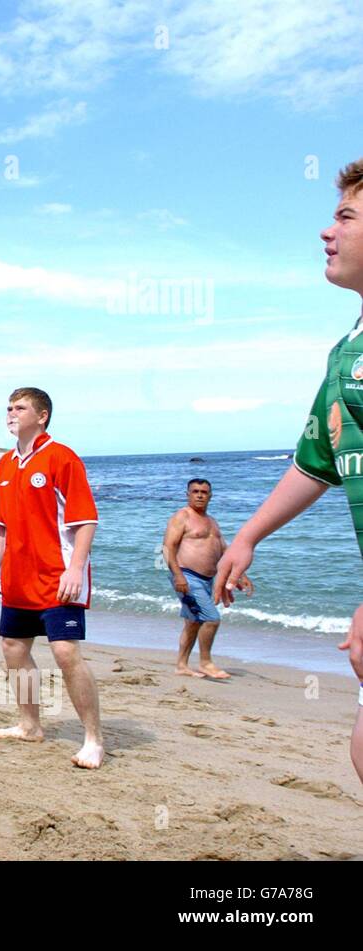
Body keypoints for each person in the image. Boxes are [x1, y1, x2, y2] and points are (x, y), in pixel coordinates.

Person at [215, 158, 363, 785]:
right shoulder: (347, 348)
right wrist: (249, 536)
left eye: (346, 217)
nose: (326, 233)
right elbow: (317, 459)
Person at [0, 387, 104, 769]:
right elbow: (1, 526)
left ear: (42, 415)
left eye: (19, 408)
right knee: (13, 649)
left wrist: (75, 568)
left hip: (57, 576)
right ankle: (30, 725)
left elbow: (86, 522)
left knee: (66, 652)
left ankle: (93, 740)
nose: (11, 414)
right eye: (8, 408)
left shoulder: (61, 458)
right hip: (18, 577)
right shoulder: (5, 464)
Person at [161, 479, 253, 678]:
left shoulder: (211, 521)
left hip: (207, 579)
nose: (200, 495)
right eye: (195, 491)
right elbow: (168, 547)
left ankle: (182, 665)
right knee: (211, 619)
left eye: (204, 492)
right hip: (187, 576)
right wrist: (178, 576)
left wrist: (239, 574)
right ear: (188, 494)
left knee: (193, 622)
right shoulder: (182, 517)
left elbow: (224, 550)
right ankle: (206, 662)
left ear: (210, 496)